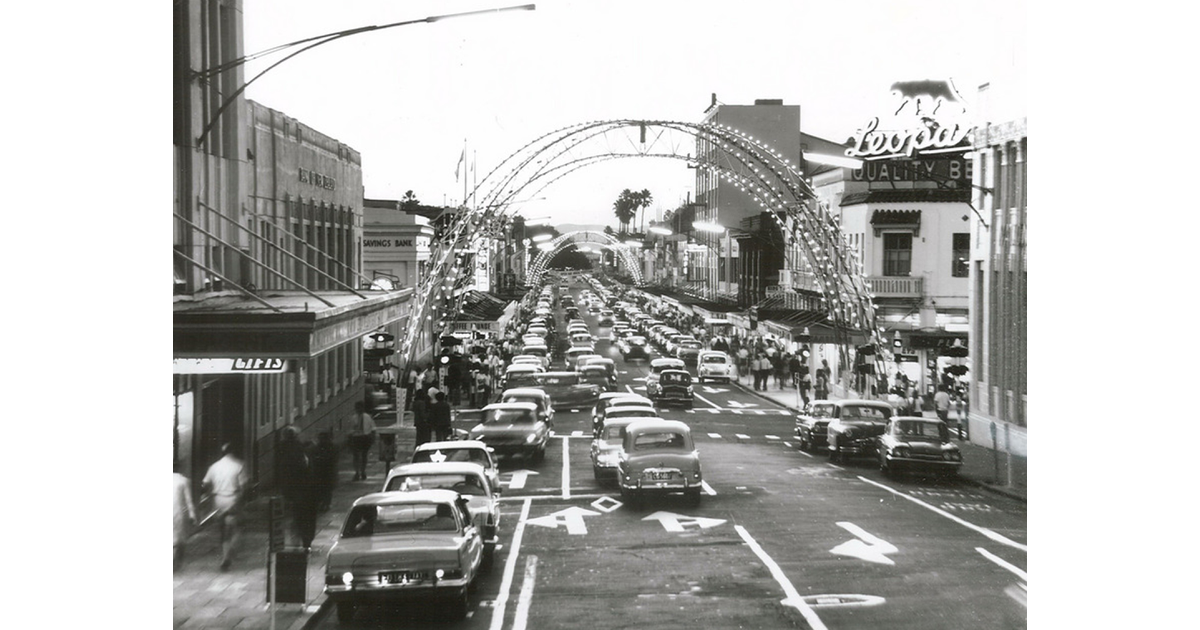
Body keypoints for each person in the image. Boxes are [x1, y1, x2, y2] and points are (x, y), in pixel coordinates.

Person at [202, 443, 248, 571]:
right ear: (233, 452)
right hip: (233, 499)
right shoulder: (239, 465)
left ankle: (225, 556)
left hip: (218, 500)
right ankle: (230, 551)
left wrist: (207, 496)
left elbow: (205, 484)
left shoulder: (214, 466)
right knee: (238, 527)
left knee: (223, 530)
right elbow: (244, 487)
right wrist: (240, 501)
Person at [172, 464, 197, 570]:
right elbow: (188, 499)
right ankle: (175, 561)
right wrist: (192, 514)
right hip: (178, 512)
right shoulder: (183, 480)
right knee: (178, 537)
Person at [347, 402, 377, 481]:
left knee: (364, 455)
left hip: (365, 437)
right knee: (356, 455)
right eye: (357, 408)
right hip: (356, 437)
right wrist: (350, 438)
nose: (359, 410)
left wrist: (373, 438)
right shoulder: (353, 418)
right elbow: (350, 429)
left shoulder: (367, 417)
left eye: (360, 408)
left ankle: (363, 471)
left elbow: (373, 428)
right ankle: (357, 472)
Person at [310, 431, 338, 513]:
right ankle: (324, 503)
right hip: (323, 471)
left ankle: (326, 504)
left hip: (326, 471)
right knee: (324, 488)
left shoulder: (331, 447)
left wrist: (319, 459)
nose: (320, 440)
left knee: (326, 488)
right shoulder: (320, 447)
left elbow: (332, 459)